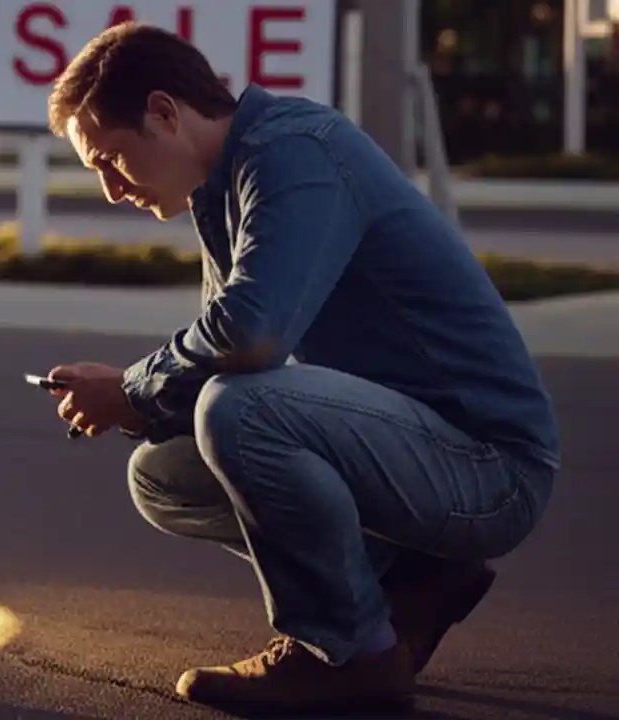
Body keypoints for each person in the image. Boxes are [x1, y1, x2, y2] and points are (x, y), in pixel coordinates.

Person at [40, 21, 560, 715]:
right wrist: (134, 400)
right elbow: (222, 352)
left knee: (237, 408)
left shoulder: (294, 151)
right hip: (413, 452)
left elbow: (252, 337)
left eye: (110, 159)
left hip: (490, 467)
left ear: (164, 113)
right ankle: (411, 581)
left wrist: (132, 390)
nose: (110, 189)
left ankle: (343, 651)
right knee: (162, 473)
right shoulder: (221, 186)